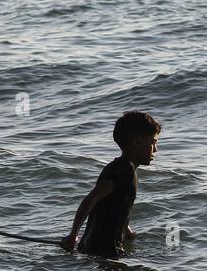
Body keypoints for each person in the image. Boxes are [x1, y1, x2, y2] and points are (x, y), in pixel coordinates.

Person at [60, 111, 162, 258]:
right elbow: (92, 198)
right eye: (153, 143)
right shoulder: (124, 170)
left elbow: (113, 206)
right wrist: (73, 234)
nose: (156, 150)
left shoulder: (119, 168)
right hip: (106, 249)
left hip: (92, 247)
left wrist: (127, 231)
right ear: (137, 142)